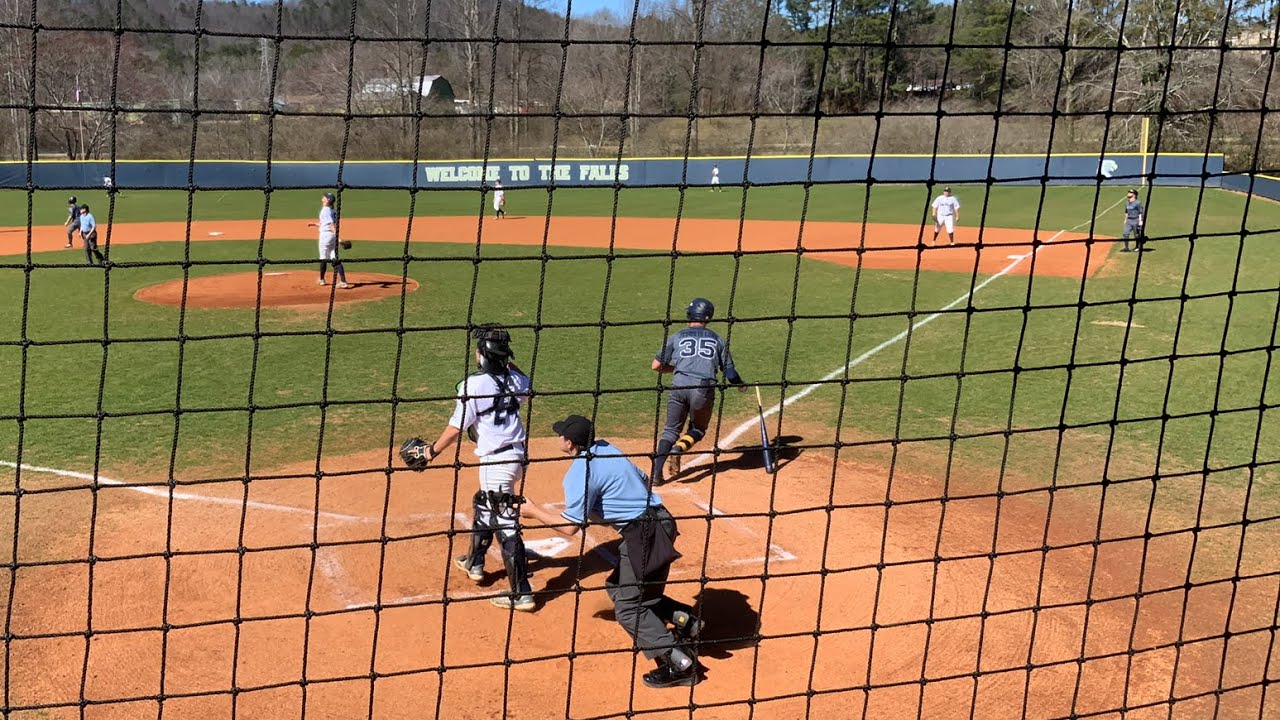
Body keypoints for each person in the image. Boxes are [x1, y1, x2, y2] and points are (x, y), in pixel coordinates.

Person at [521, 415, 703, 688]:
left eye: (561, 435)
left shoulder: (580, 474)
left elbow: (571, 527)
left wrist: (533, 511)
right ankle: (687, 621)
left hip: (644, 535)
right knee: (620, 587)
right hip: (662, 521)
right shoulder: (607, 447)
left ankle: (680, 664)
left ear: (569, 443)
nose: (559, 438)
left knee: (628, 609)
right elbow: (642, 477)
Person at [415, 327, 535, 611]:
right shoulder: (517, 380)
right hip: (516, 457)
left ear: (482, 357)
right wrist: (503, 357)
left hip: (496, 462)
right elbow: (522, 381)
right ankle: (475, 562)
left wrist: (431, 452)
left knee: (505, 523)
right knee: (483, 502)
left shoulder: (474, 386)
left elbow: (457, 427)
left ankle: (523, 593)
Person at [651, 297, 746, 485]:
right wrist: (741, 385)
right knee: (698, 429)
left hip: (679, 386)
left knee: (670, 431)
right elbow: (730, 373)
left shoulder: (677, 336)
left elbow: (656, 366)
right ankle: (678, 449)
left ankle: (655, 474)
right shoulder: (717, 339)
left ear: (689, 315)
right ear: (708, 317)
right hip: (702, 389)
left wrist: (675, 369)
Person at [307, 192, 348, 288]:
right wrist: (314, 224)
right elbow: (326, 223)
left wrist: (339, 238)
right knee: (334, 257)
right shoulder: (332, 211)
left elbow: (330, 225)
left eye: (324, 197)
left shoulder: (325, 210)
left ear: (328, 200)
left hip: (326, 236)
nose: (322, 198)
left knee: (323, 258)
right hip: (331, 237)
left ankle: (321, 279)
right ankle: (343, 281)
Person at [1121, 188, 1145, 253]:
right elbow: (1126, 212)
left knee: (1136, 235)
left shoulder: (1138, 203)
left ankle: (1137, 247)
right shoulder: (1127, 203)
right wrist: (1125, 220)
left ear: (1134, 195)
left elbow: (1141, 212)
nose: (1128, 193)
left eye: (1130, 192)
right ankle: (1126, 248)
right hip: (1129, 220)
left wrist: (1141, 221)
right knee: (1125, 234)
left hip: (1136, 220)